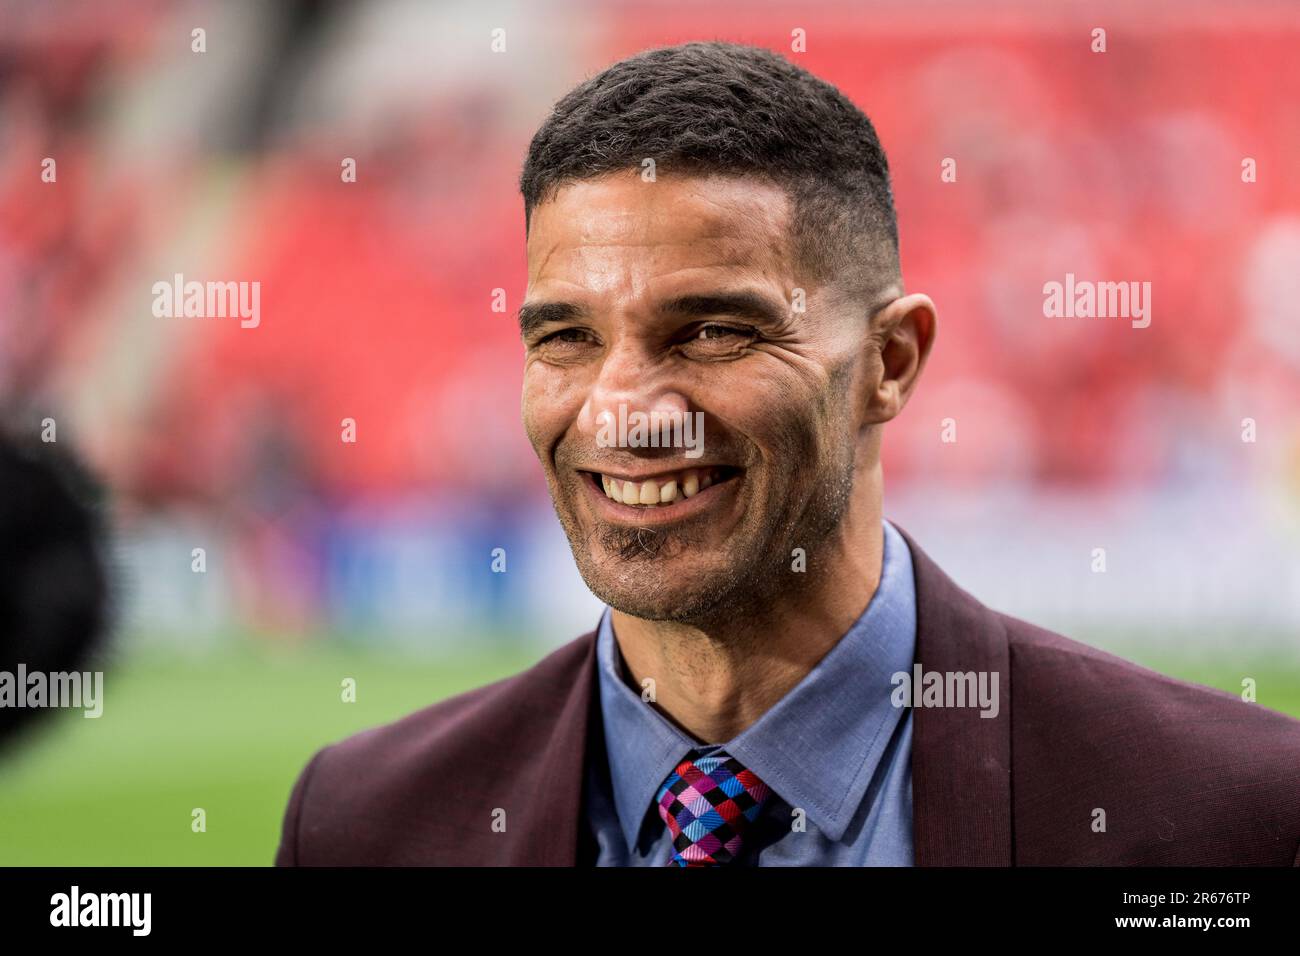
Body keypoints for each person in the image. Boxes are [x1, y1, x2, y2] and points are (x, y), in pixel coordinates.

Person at [275, 41, 1300, 866]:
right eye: (566, 338)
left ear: (889, 362)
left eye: (714, 330)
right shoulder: (365, 825)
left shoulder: (1228, 812)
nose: (624, 409)